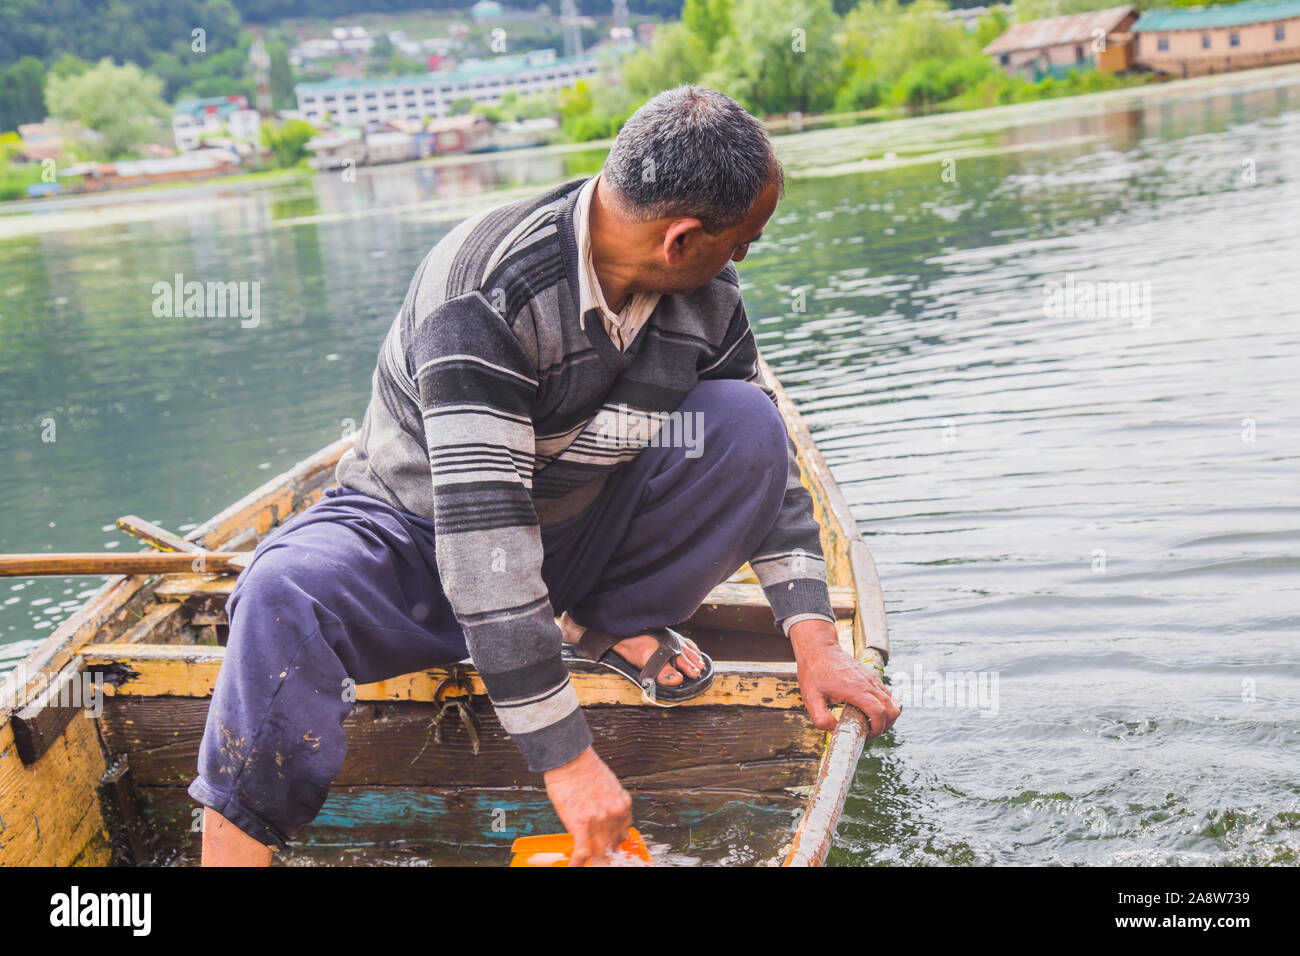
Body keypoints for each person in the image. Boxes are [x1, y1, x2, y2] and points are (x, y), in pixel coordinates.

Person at [189, 85, 901, 867]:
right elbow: (483, 547)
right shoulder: (483, 294)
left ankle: (593, 619)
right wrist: (570, 762)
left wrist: (814, 641)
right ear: (680, 239)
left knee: (746, 423)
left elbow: (775, 481)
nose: (740, 261)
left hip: (567, 531)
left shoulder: (704, 294)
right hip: (414, 541)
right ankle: (235, 852)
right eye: (739, 244)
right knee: (281, 590)